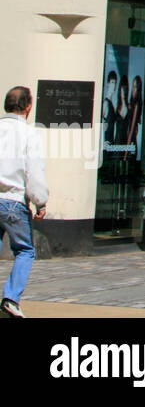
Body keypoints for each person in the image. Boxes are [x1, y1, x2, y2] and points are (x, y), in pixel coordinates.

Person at [0, 87, 48, 318]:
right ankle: (11, 298)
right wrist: (40, 202)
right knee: (25, 250)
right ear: (28, 107)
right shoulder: (30, 134)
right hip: (13, 200)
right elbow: (34, 174)